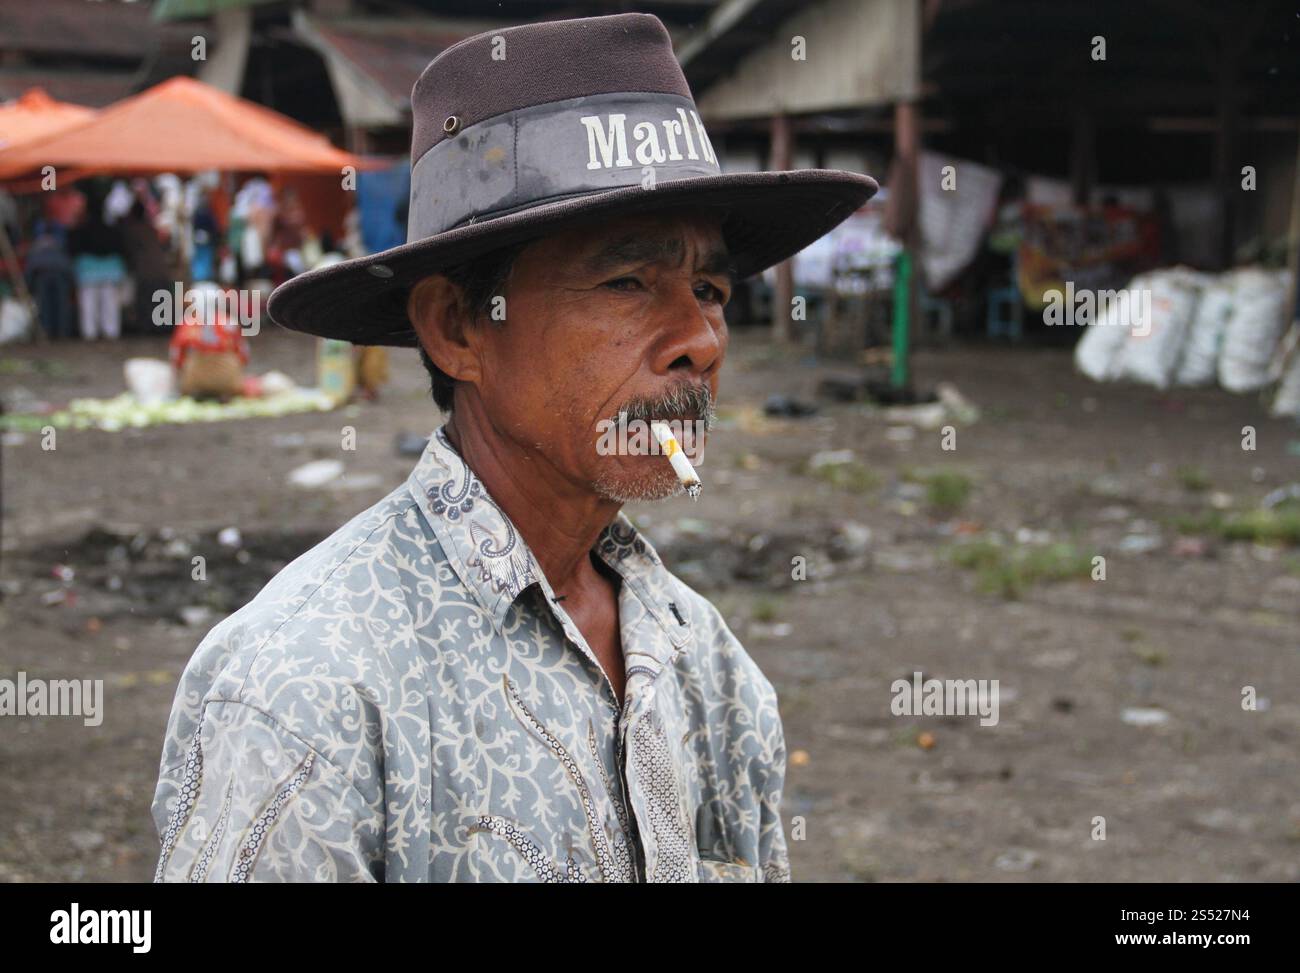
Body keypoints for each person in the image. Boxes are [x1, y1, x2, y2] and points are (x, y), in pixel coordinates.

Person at [151, 12, 876, 883]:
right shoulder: (308, 691)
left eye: (711, 288)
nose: (702, 340)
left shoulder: (710, 668)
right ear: (459, 327)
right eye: (627, 282)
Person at [68, 197, 126, 340]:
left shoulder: (80, 230)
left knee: (88, 304)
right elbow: (120, 247)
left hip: (87, 270)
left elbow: (74, 249)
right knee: (110, 304)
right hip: (110, 270)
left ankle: (90, 333)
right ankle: (111, 332)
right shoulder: (111, 230)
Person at [120, 201, 172, 334]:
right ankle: (161, 328)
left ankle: (146, 328)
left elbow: (128, 250)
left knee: (145, 301)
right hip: (161, 270)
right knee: (160, 300)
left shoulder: (131, 230)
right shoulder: (151, 228)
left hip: (145, 271)